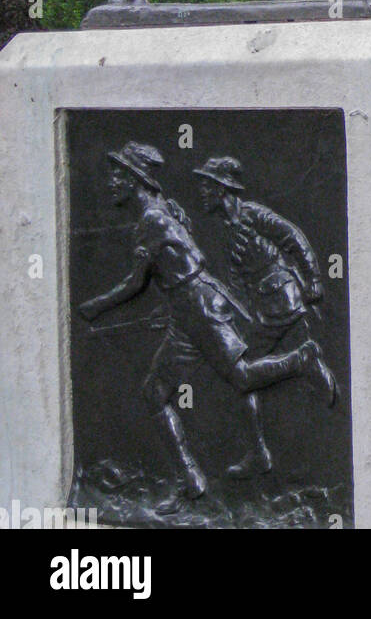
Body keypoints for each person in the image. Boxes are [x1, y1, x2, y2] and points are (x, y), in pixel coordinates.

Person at [77, 143, 336, 512]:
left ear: (136, 180)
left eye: (120, 174)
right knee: (157, 391)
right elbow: (184, 268)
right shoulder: (165, 213)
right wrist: (174, 308)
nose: (112, 182)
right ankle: (194, 480)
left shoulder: (156, 219)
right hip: (191, 311)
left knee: (242, 377)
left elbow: (139, 283)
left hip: (210, 308)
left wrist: (94, 307)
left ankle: (301, 361)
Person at [192, 155, 335, 479]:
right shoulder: (227, 230)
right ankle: (262, 451)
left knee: (243, 375)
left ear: (222, 189)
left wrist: (313, 279)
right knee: (243, 378)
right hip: (265, 308)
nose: (202, 192)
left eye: (207, 186)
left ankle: (303, 367)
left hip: (282, 301)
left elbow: (293, 238)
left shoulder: (252, 215)